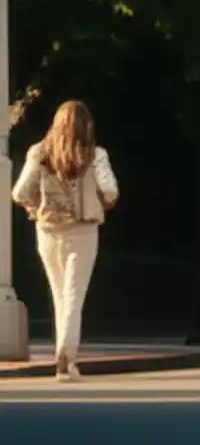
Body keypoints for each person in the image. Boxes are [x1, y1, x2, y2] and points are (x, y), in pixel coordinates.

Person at [11, 100, 119, 382]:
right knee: (74, 294)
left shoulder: (40, 153)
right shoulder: (95, 156)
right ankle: (67, 356)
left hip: (48, 230)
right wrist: (97, 200)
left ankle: (64, 355)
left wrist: (35, 208)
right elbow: (110, 191)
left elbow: (20, 192)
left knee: (59, 293)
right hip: (83, 230)